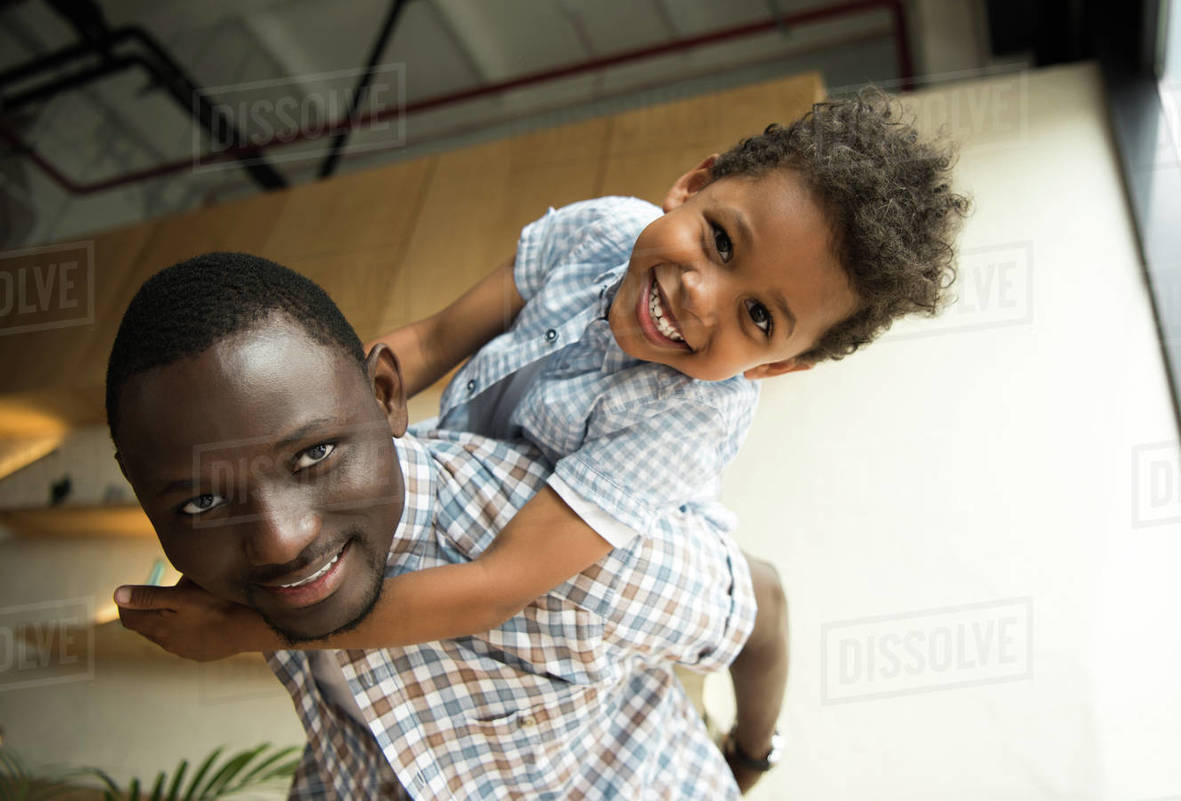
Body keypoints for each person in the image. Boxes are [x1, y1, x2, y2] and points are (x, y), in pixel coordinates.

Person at [115, 87, 970, 794]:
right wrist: (332, 420)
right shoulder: (599, 229)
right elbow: (435, 337)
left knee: (691, 611)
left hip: (587, 528)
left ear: (779, 367)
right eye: (718, 240)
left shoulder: (688, 416)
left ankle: (713, 738)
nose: (701, 296)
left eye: (757, 316)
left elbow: (496, 585)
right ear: (692, 184)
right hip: (474, 468)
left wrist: (246, 628)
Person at [106, 253, 768, 799]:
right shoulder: (262, 582)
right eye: (201, 504)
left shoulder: (567, 539)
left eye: (314, 455)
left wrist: (751, 759)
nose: (282, 539)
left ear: (387, 394)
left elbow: (765, 607)